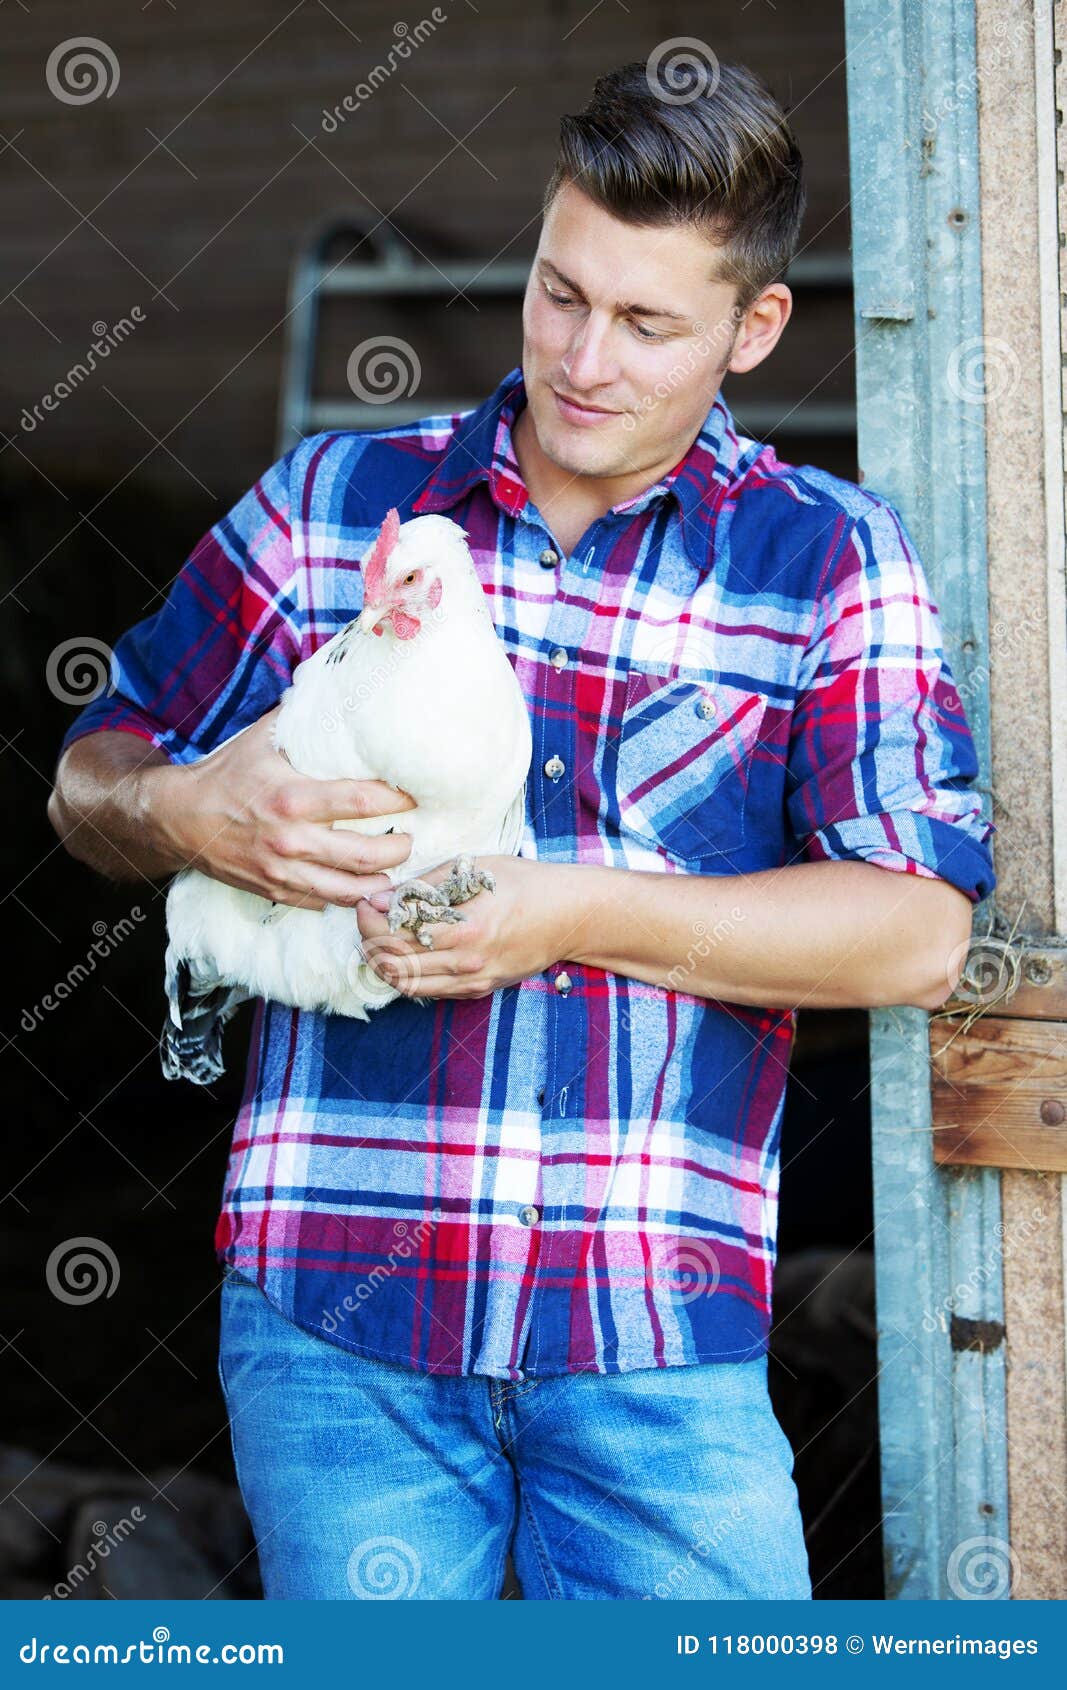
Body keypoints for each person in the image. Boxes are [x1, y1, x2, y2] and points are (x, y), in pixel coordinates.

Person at [47, 56, 995, 1602]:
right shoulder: (333, 501)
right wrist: (188, 805)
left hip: (654, 1341)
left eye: (647, 322)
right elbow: (89, 775)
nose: (583, 357)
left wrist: (567, 909)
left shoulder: (824, 560)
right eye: (562, 293)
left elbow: (917, 927)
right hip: (336, 1321)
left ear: (754, 330)